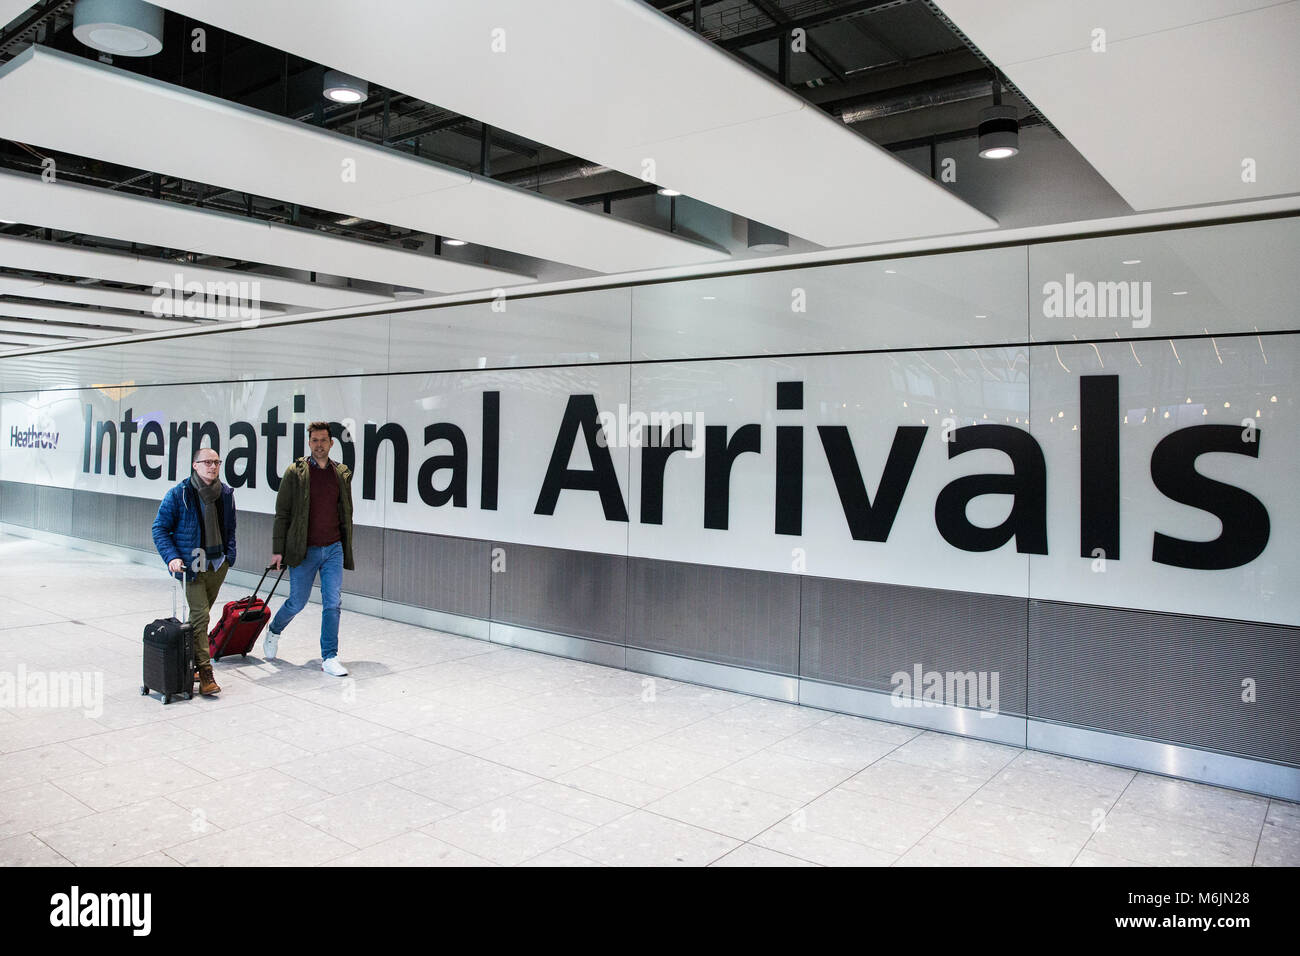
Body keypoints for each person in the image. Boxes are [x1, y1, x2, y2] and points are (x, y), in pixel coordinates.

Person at [265, 421, 354, 676]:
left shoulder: (341, 473)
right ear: (309, 443)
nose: (319, 445)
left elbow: (345, 511)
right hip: (304, 549)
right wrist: (278, 550)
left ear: (331, 443)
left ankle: (329, 656)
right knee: (297, 601)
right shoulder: (296, 472)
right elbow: (282, 513)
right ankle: (274, 630)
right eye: (314, 440)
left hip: (333, 548)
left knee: (332, 602)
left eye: (323, 440)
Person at [151, 446, 236, 696]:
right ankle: (206, 671)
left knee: (200, 618)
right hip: (192, 566)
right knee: (201, 616)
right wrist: (172, 557)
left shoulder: (226, 493)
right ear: (195, 465)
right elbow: (159, 529)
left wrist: (230, 556)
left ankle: (190, 662)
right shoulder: (179, 494)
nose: (212, 466)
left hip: (217, 564)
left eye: (216, 462)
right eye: (207, 462)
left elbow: (230, 528)